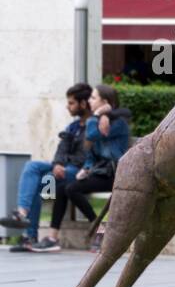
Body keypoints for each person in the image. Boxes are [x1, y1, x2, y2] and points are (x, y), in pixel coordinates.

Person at [1, 83, 94, 252]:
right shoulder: (73, 127)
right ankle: (26, 224)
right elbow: (61, 148)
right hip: (63, 170)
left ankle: (27, 228)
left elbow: (87, 156)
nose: (68, 106)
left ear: (83, 103)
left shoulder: (94, 125)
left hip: (81, 173)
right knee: (32, 168)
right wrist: (57, 164)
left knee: (42, 181)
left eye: (71, 103)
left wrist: (62, 167)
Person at [64, 84, 131, 252]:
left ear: (105, 102)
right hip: (101, 172)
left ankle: (99, 228)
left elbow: (92, 135)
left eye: (93, 98)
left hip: (116, 174)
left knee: (72, 189)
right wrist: (86, 168)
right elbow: (92, 153)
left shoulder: (118, 124)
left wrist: (97, 115)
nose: (89, 101)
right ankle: (100, 225)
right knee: (69, 188)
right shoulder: (101, 121)